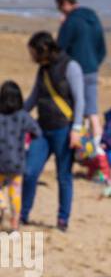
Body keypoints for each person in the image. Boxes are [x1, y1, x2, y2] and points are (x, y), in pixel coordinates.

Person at [21, 31, 84, 231]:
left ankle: (63, 219)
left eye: (33, 53)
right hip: (42, 129)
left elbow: (80, 100)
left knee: (63, 176)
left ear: (44, 50)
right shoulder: (43, 70)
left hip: (64, 130)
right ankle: (22, 214)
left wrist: (76, 128)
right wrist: (13, 114)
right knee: (30, 172)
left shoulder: (71, 66)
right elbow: (33, 98)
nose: (32, 57)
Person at [56, 0, 107, 143]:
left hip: (76, 68)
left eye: (59, 8)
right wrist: (95, 63)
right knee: (91, 107)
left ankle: (92, 143)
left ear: (65, 4)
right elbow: (102, 47)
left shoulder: (71, 21)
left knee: (80, 105)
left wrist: (62, 26)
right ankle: (94, 142)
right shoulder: (93, 18)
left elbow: (60, 47)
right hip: (92, 67)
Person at [0, 80, 41, 231]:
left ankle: (2, 205)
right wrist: (27, 142)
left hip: (0, 162)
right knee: (15, 193)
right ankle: (15, 225)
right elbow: (37, 132)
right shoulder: (23, 116)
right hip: (17, 162)